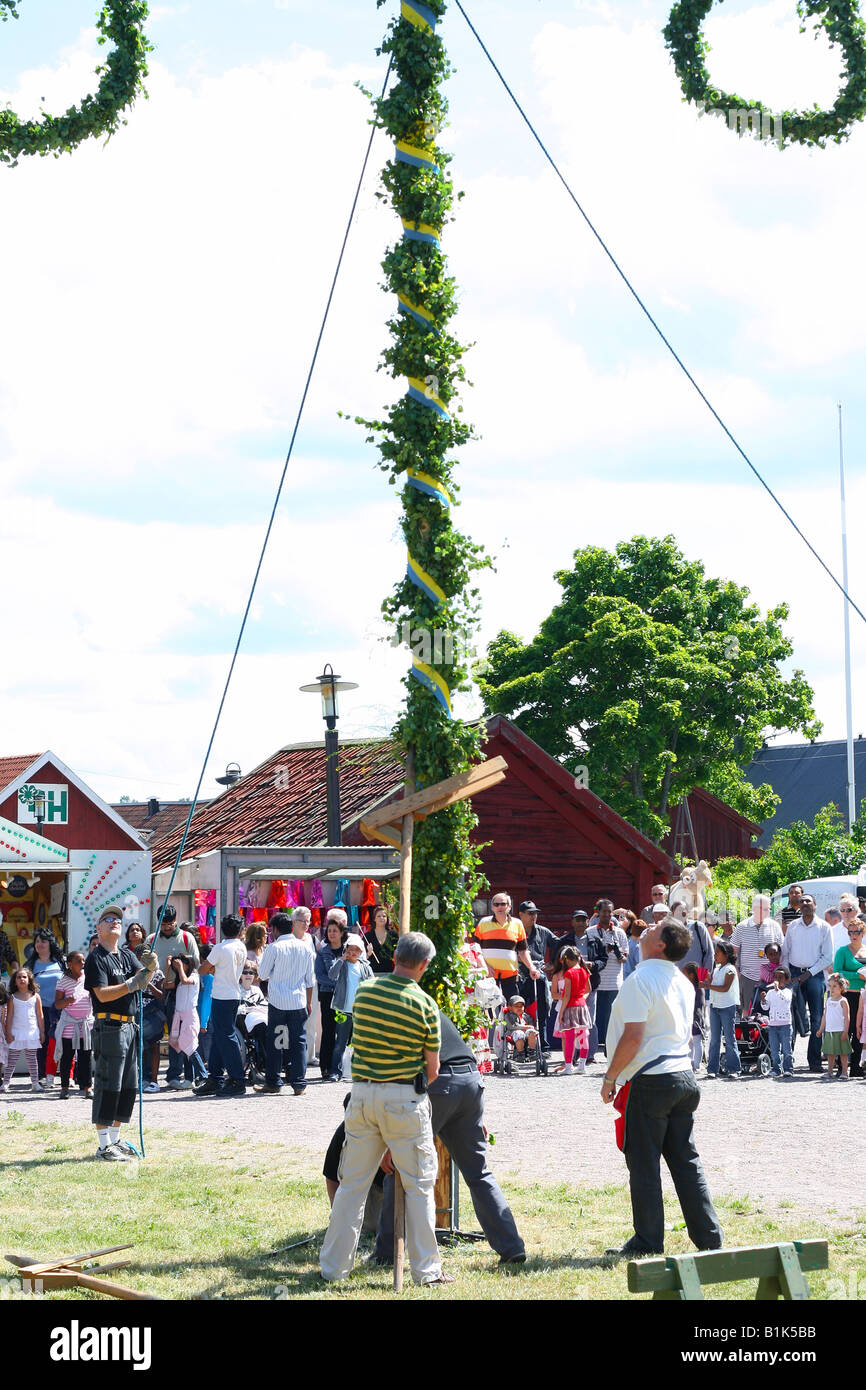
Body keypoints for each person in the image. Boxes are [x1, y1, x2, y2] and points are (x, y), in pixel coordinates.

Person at [319, 931, 451, 1286]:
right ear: (424, 965)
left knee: (352, 1186)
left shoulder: (365, 992)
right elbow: (433, 1069)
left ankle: (333, 1268)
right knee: (420, 1185)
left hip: (362, 1095)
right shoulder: (425, 1004)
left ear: (394, 957)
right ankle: (426, 1271)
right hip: (404, 1099)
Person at [601, 915, 723, 1258]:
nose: (646, 928)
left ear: (661, 945)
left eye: (653, 929)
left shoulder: (641, 979)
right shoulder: (683, 981)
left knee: (643, 1164)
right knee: (686, 1162)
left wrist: (611, 1077)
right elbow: (684, 1035)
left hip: (652, 1080)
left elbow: (634, 1036)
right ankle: (709, 1238)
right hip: (683, 1076)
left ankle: (648, 1240)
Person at [373, 1004, 526, 1268]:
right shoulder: (428, 1007)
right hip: (471, 1082)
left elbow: (399, 1079)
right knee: (479, 1173)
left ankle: (387, 1254)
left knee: (398, 1167)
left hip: (439, 1084)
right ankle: (511, 1247)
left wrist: (391, 1142)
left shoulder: (392, 1014)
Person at [83, 905, 157, 1160]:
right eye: (108, 919)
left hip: (130, 1025)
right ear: (99, 928)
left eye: (117, 919)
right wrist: (130, 985)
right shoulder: (96, 958)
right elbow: (102, 995)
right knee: (108, 1084)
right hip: (110, 1026)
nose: (115, 922)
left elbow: (143, 977)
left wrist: (151, 966)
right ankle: (103, 1146)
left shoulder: (126, 955)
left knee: (127, 1086)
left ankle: (114, 1141)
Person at [257, 909, 314, 1096]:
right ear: (291, 927)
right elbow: (309, 980)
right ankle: (299, 1084)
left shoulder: (273, 948)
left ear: (274, 929)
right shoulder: (305, 947)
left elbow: (263, 974)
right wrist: (309, 1002)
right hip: (298, 1001)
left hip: (278, 1002)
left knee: (276, 1042)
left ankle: (274, 1082)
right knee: (298, 1042)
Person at [144, 906, 200, 1090]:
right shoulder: (151, 939)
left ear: (176, 920)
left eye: (170, 924)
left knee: (177, 1035)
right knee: (151, 1034)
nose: (167, 928)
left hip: (178, 993)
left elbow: (196, 963)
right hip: (153, 993)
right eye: (164, 924)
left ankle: (175, 1074)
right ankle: (147, 1076)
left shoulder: (186, 937)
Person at [195, 915, 247, 1097]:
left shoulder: (220, 947)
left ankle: (237, 1079)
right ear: (240, 930)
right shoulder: (241, 947)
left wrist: (211, 968)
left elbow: (202, 968)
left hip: (221, 996)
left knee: (226, 1036)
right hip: (233, 994)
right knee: (221, 1035)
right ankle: (215, 1077)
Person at [781, 894, 833, 1073]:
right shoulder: (793, 927)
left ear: (815, 905)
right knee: (791, 1018)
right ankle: (787, 1061)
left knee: (817, 1018)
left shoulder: (824, 927)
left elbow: (827, 957)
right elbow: (785, 953)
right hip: (793, 974)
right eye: (802, 901)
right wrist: (787, 975)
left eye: (808, 901)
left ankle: (814, 1060)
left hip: (815, 975)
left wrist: (809, 973)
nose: (804, 904)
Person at [474, 892, 540, 1003]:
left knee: (512, 1009)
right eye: (496, 904)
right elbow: (475, 949)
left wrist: (531, 967)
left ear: (509, 907)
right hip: (488, 976)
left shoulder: (517, 924)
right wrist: (484, 966)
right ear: (492, 907)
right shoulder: (483, 923)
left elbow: (523, 951)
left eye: (503, 904)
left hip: (510, 976)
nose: (499, 907)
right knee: (489, 1011)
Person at [327, 934, 374, 1082]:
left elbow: (372, 985)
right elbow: (331, 975)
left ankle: (361, 1071)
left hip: (361, 1010)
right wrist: (341, 960)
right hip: (344, 1009)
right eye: (350, 949)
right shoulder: (342, 964)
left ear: (361, 952)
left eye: (356, 950)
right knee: (340, 1042)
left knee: (361, 1042)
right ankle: (335, 1071)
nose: (353, 952)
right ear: (346, 949)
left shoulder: (365, 967)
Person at [731, 895, 783, 1013]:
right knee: (746, 1014)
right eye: (766, 909)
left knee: (769, 1013)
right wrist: (737, 972)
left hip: (769, 979)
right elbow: (732, 951)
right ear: (756, 909)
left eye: (769, 909)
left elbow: (782, 951)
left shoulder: (774, 926)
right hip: (747, 978)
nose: (769, 912)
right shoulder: (741, 927)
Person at [27, 928, 66, 1089]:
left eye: (43, 941)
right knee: (41, 1043)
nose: (39, 944)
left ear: (50, 943)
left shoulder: (61, 962)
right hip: (39, 1009)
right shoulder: (30, 964)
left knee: (62, 1042)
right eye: (37, 941)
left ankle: (64, 1076)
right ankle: (42, 1076)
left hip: (59, 1008)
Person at [54, 951, 94, 1099]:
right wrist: (67, 1001)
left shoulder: (88, 978)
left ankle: (87, 1087)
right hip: (69, 1025)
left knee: (86, 1057)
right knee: (67, 1057)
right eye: (78, 961)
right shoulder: (62, 980)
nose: (82, 963)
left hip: (85, 1025)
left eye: (83, 960)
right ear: (70, 964)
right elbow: (57, 1004)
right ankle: (64, 1088)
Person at [516, 901, 554, 1050]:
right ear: (521, 914)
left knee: (542, 1011)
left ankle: (543, 1046)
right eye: (530, 913)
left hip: (538, 976)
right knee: (519, 1010)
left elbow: (559, 944)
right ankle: (521, 1047)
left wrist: (553, 964)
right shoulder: (514, 931)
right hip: (518, 976)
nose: (533, 916)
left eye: (535, 913)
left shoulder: (543, 931)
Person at [592, 900, 629, 1054]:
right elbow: (590, 956)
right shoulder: (591, 931)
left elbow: (624, 959)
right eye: (604, 911)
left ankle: (610, 1049)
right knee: (592, 1018)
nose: (606, 915)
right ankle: (590, 1051)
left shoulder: (620, 933)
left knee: (612, 1018)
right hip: (596, 981)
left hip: (614, 981)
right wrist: (604, 951)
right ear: (598, 913)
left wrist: (616, 951)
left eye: (609, 912)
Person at [833, 906, 866, 1077]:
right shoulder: (842, 951)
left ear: (863, 932)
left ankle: (857, 1066)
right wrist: (858, 975)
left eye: (857, 931)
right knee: (847, 1029)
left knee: (861, 1031)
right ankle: (842, 1065)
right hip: (847, 995)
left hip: (863, 996)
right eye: (850, 932)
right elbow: (837, 972)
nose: (854, 935)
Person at [167, 953, 209, 1086]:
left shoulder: (194, 976)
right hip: (180, 1017)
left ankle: (203, 1076)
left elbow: (186, 980)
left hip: (190, 1016)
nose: (180, 965)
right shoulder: (179, 980)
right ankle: (189, 1079)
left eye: (183, 962)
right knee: (185, 1048)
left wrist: (179, 968)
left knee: (190, 1047)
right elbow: (164, 984)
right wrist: (169, 968)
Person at [1, 967, 44, 1092]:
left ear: (29, 979)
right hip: (16, 1032)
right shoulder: (12, 998)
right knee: (12, 1059)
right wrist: (8, 1033)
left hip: (32, 1032)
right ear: (14, 981)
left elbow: (40, 1015)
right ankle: (6, 1082)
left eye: (24, 977)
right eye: (18, 977)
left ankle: (35, 1083)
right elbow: (9, 1017)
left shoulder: (36, 996)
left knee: (32, 1059)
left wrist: (42, 1032)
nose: (21, 979)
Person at [316, 912, 347, 1080]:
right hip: (328, 995)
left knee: (344, 1031)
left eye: (335, 930)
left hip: (345, 996)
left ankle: (341, 1066)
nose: (332, 934)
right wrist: (335, 983)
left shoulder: (349, 950)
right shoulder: (322, 952)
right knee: (328, 1031)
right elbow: (320, 975)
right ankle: (325, 1067)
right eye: (329, 931)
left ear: (342, 932)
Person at [705, 941, 741, 1080]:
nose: (715, 955)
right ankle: (712, 1069)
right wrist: (708, 981)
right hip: (715, 1006)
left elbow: (725, 988)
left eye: (717, 953)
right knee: (714, 1039)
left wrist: (708, 986)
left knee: (730, 1038)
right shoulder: (717, 968)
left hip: (727, 1007)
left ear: (726, 955)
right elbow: (715, 985)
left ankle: (734, 1069)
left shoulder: (730, 969)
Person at [552, 947, 591, 1075]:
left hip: (570, 1006)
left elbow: (566, 996)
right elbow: (588, 989)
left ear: (567, 959)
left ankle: (568, 1066)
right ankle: (582, 1065)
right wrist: (582, 999)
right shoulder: (585, 971)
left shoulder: (568, 973)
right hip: (582, 1006)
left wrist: (561, 1012)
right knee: (583, 1036)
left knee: (569, 1037)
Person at [818, 974, 851, 1080]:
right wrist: (821, 1029)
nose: (831, 989)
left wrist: (845, 1031)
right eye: (830, 986)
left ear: (841, 987)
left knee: (843, 1053)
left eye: (834, 986)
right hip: (829, 1031)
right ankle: (830, 1071)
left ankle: (845, 1072)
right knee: (830, 1053)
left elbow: (847, 1017)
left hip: (840, 1030)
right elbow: (825, 1015)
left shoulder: (843, 1001)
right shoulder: (828, 1000)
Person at [763, 966, 794, 1079]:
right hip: (773, 1025)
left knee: (786, 1049)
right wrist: (763, 1000)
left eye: (780, 977)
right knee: (775, 1049)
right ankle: (776, 1068)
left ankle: (788, 1069)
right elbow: (766, 1007)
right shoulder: (770, 992)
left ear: (786, 980)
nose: (777, 979)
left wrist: (778, 991)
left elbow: (786, 1001)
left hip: (785, 1024)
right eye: (775, 977)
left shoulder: (787, 992)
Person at [680, 962, 705, 1073]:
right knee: (689, 1043)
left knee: (696, 1041)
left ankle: (697, 1065)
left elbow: (698, 1005)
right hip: (689, 1018)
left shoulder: (698, 988)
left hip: (696, 1019)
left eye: (684, 973)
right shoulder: (689, 987)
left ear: (691, 975)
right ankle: (689, 1063)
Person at [501, 993, 539, 1058]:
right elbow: (511, 1026)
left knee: (532, 1032)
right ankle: (520, 1053)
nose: (519, 1008)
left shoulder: (526, 1016)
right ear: (510, 1008)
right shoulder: (508, 1015)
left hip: (526, 1034)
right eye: (516, 1006)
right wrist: (525, 1027)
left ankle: (532, 1052)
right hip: (512, 1033)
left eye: (521, 1006)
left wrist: (531, 1028)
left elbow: (532, 1026)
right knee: (519, 1033)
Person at [364, 905, 398, 974]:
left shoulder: (393, 935)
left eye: (384, 916)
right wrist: (368, 953)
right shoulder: (368, 936)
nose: (381, 918)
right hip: (372, 973)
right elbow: (361, 958)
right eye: (378, 916)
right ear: (374, 919)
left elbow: (398, 953)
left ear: (387, 918)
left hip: (389, 973)